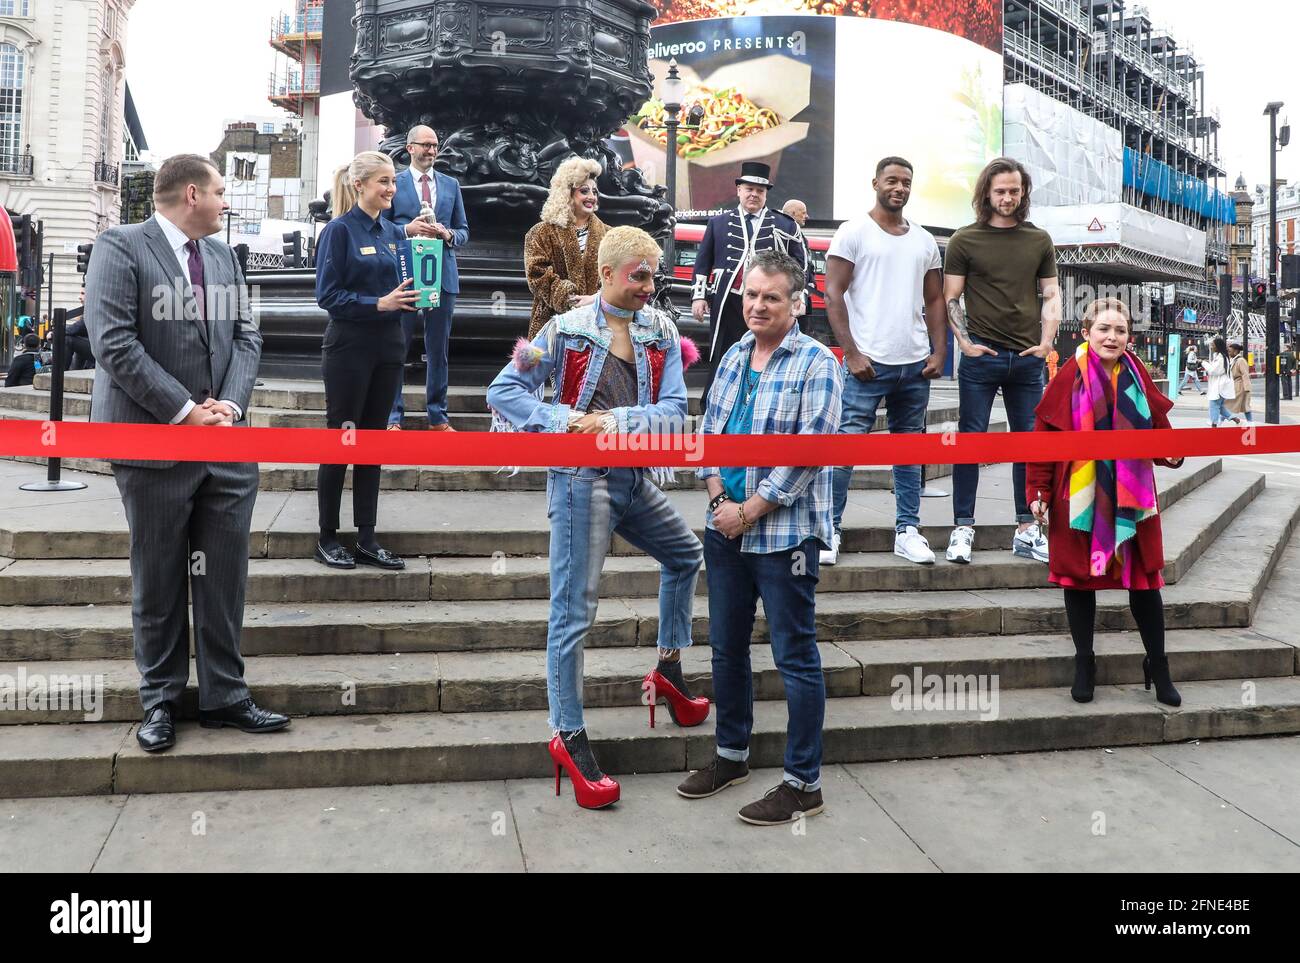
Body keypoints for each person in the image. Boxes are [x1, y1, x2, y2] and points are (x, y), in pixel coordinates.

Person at [487, 226, 706, 811]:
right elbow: (504, 390)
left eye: (654, 275)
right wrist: (561, 420)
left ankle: (668, 668)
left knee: (686, 555)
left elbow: (675, 409)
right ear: (607, 273)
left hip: (634, 478)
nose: (649, 285)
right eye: (639, 274)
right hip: (581, 485)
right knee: (573, 612)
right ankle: (569, 734)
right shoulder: (560, 331)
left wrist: (614, 422)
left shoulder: (661, 330)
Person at [84, 152, 288, 752]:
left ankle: (226, 696)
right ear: (193, 195)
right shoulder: (121, 247)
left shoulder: (225, 255)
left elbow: (246, 335)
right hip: (153, 445)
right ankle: (161, 700)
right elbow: (113, 342)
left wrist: (229, 405)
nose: (229, 202)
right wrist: (185, 411)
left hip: (225, 446)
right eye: (222, 192)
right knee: (160, 577)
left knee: (224, 578)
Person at [678, 249, 843, 826]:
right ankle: (731, 755)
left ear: (796, 304)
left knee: (794, 655)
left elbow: (809, 453)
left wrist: (748, 510)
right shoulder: (732, 356)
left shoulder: (818, 362)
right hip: (724, 529)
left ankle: (804, 784)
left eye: (771, 296)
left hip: (785, 535)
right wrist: (720, 501)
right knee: (725, 647)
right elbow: (709, 435)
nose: (757, 305)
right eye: (751, 294)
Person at [1026, 298, 1182, 708]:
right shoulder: (1064, 379)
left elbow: (1159, 430)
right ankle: (1084, 664)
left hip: (1132, 496)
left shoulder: (1138, 373)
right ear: (1086, 333)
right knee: (1079, 580)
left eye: (1121, 330)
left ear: (1129, 337)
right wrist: (1037, 493)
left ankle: (1159, 665)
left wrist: (1172, 452)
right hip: (1078, 495)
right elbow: (1042, 443)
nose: (1113, 337)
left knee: (1145, 581)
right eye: (1104, 329)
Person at [822, 156, 947, 567]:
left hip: (913, 365)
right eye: (892, 180)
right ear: (875, 182)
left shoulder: (925, 241)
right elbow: (833, 294)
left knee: (909, 450)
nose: (900, 187)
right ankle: (830, 531)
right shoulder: (853, 232)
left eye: (906, 181)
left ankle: (907, 530)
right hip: (866, 364)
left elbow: (934, 300)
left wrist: (939, 351)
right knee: (845, 449)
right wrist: (852, 353)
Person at [943, 157, 1062, 566]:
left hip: (1028, 359)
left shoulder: (1039, 240)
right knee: (969, 444)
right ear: (986, 194)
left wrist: (1046, 344)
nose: (1007, 197)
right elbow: (951, 298)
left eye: (1014, 190)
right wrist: (965, 342)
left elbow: (1051, 295)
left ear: (1023, 191)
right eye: (1000, 191)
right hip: (981, 358)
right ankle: (962, 527)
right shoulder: (964, 239)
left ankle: (1027, 529)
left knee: (1028, 446)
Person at [313, 151, 418, 571]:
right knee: (342, 439)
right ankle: (326, 536)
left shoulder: (395, 233)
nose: (391, 188)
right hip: (349, 350)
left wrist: (414, 297)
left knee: (372, 443)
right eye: (383, 182)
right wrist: (379, 303)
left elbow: (401, 287)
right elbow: (327, 296)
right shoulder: (338, 231)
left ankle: (367, 538)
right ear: (360, 185)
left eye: (393, 181)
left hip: (388, 348)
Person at [691, 162, 809, 395]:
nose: (754, 194)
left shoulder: (784, 224)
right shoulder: (719, 223)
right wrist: (699, 296)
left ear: (765, 194)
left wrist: (797, 296)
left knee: (766, 349)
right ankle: (715, 400)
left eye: (760, 191)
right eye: (749, 189)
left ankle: (759, 396)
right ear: (739, 190)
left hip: (766, 301)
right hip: (729, 301)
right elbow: (702, 262)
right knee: (723, 351)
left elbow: (801, 264)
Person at [382, 125, 470, 431]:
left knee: (438, 351)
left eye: (435, 145)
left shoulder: (451, 185)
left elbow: (463, 231)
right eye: (426, 145)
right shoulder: (394, 183)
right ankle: (393, 417)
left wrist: (447, 233)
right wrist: (409, 229)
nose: (431, 151)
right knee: (397, 347)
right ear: (410, 148)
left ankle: (437, 417)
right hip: (405, 274)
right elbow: (382, 225)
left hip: (441, 274)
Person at [523, 156, 607, 340]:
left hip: (598, 326)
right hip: (551, 326)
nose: (591, 197)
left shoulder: (609, 235)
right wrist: (572, 300)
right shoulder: (540, 232)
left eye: (595, 191)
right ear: (567, 193)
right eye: (584, 191)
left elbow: (617, 277)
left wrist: (595, 300)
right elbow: (537, 275)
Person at [1204, 336, 1236, 427]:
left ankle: (1214, 424)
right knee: (1220, 407)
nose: (1212, 347)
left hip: (1219, 387)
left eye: (1213, 345)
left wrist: (1203, 363)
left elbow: (1213, 371)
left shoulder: (1221, 358)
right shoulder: (1220, 357)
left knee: (1213, 405)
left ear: (1218, 346)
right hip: (1220, 386)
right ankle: (1235, 419)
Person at [1225, 342, 1253, 424]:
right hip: (1236, 385)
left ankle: (1218, 421)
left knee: (1226, 404)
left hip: (1240, 386)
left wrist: (1247, 388)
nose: (1229, 353)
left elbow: (1245, 374)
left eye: (1230, 351)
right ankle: (1250, 422)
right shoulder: (1234, 360)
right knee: (1245, 406)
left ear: (1236, 351)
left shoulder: (1240, 360)